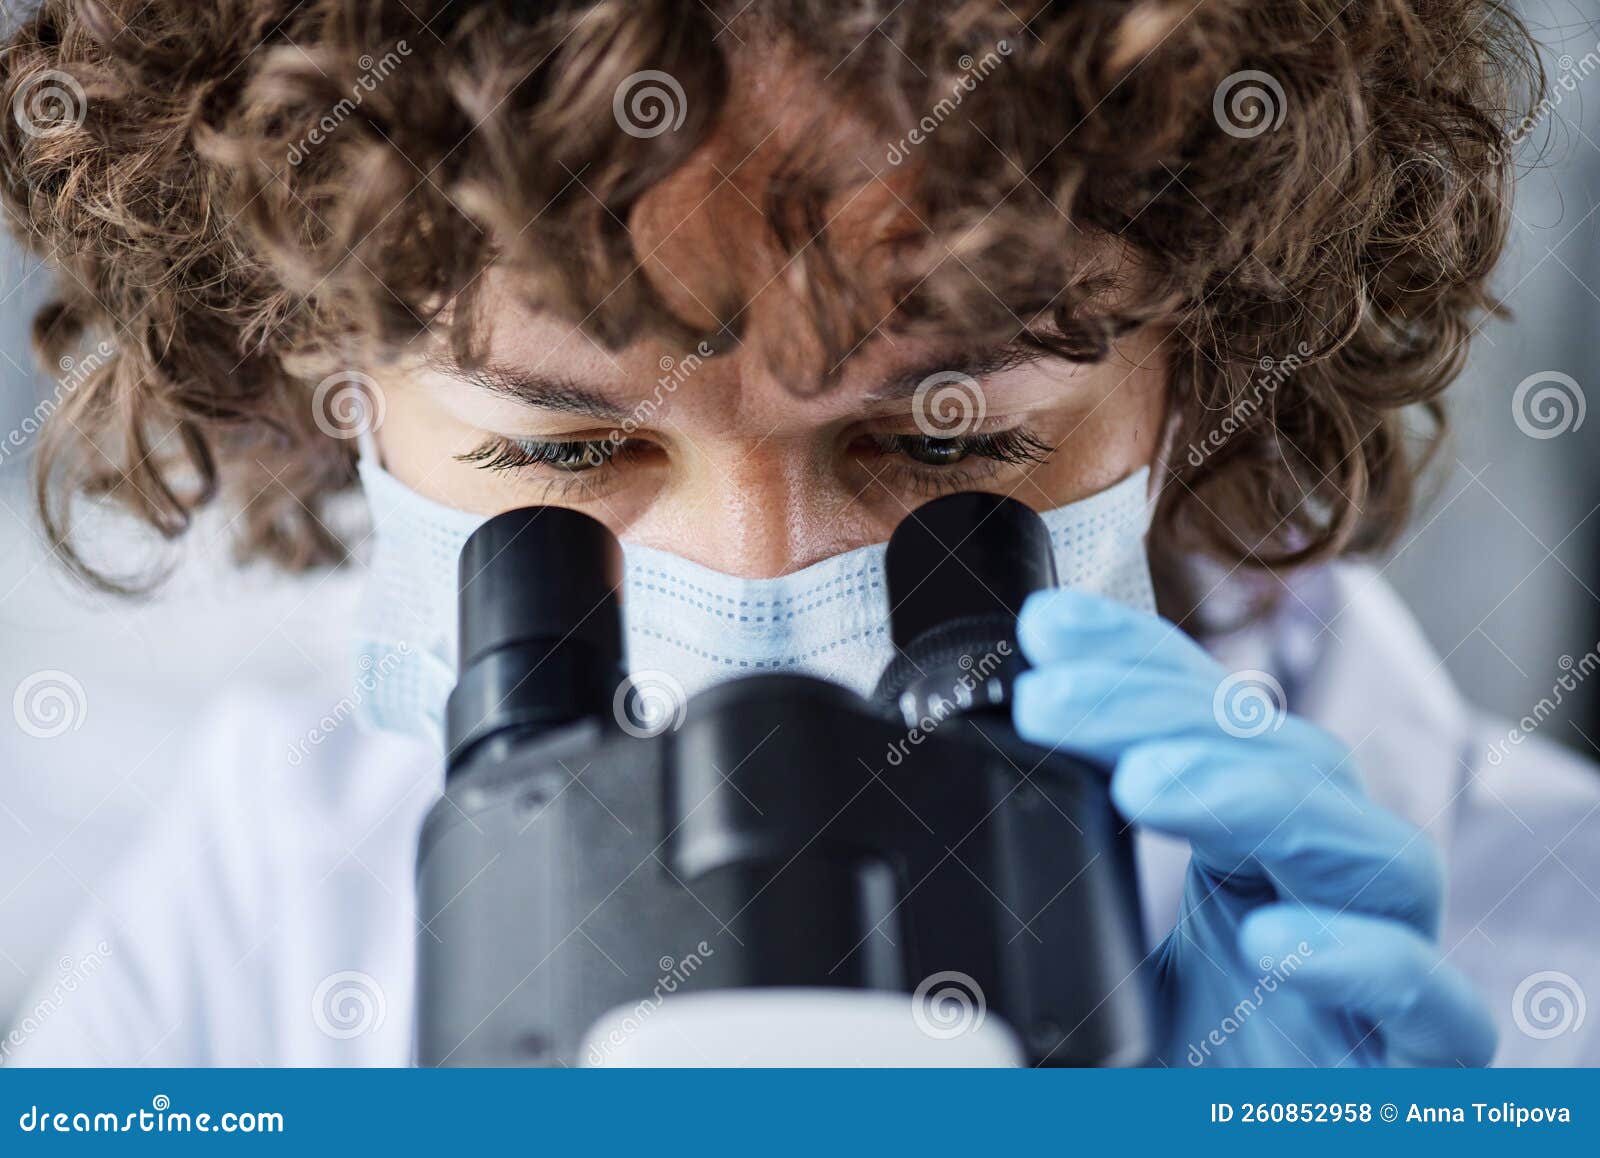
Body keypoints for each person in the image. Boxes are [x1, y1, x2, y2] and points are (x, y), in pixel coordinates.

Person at [0, 0, 1594, 1066]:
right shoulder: (258, 910)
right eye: (566, 449)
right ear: (328, 371)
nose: (755, 595)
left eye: (934, 442)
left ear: (1213, 375)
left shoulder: (1553, 935)